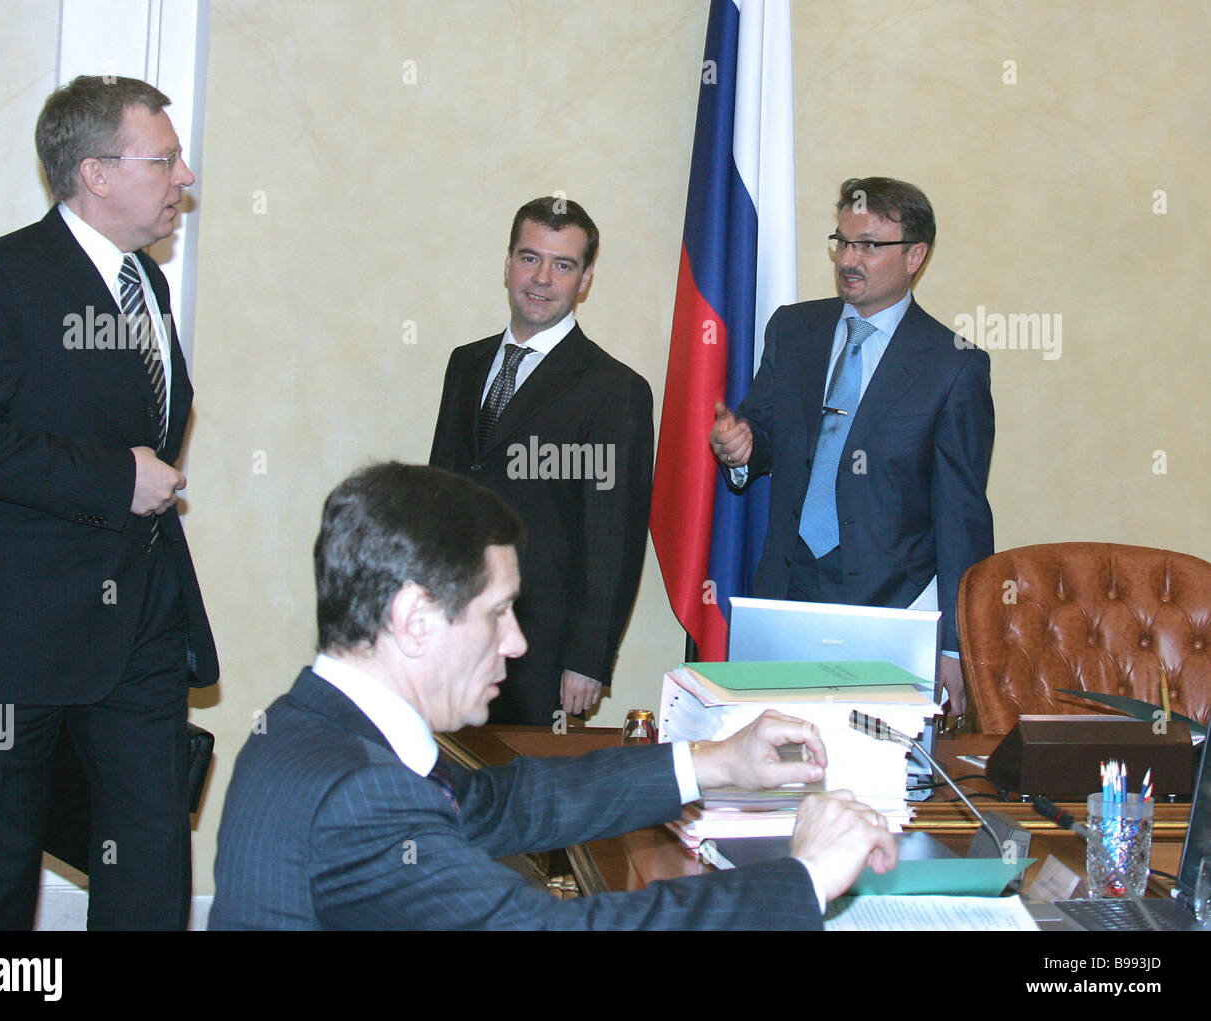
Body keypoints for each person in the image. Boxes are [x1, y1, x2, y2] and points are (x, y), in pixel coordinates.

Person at [209, 462, 896, 930]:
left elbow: (504, 803)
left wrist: (713, 762)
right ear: (415, 617)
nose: (516, 642)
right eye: (498, 611)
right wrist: (803, 877)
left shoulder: (320, 727)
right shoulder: (357, 795)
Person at [0, 75, 218, 929]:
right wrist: (114, 477)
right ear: (96, 173)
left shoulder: (147, 286)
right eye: (164, 158)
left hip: (141, 624)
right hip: (11, 622)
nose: (184, 176)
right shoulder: (2, 276)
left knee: (151, 848)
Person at [710, 177, 994, 714]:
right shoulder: (794, 330)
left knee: (878, 779)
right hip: (787, 592)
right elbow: (764, 433)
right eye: (841, 241)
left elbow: (962, 514)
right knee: (775, 767)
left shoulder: (953, 365)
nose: (848, 259)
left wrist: (957, 645)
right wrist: (743, 451)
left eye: (868, 245)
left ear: (915, 255)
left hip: (893, 604)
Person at [429, 197, 653, 724]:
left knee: (528, 795)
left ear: (586, 279)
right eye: (530, 258)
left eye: (564, 264)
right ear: (507, 265)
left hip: (544, 651)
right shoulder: (466, 364)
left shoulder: (613, 389)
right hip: (451, 634)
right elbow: (436, 499)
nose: (542, 278)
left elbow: (612, 537)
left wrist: (588, 657)